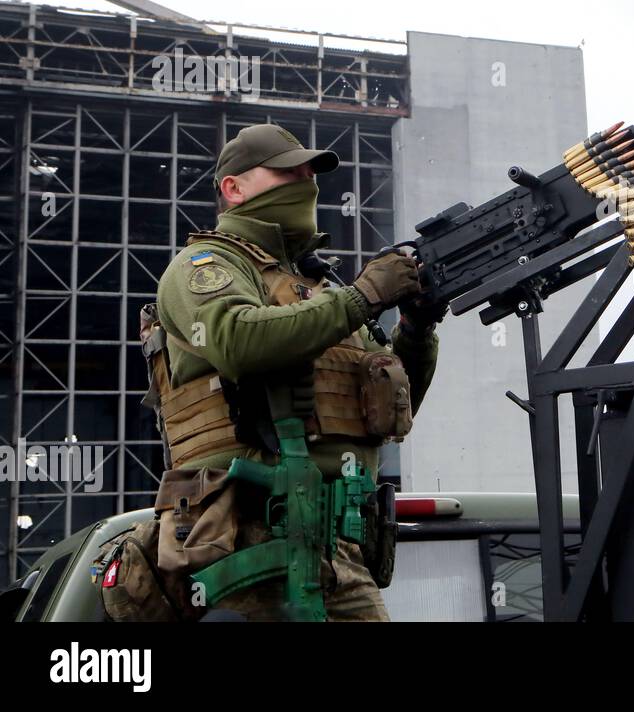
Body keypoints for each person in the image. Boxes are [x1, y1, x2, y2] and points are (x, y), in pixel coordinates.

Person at [151, 123, 441, 620]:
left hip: (339, 543)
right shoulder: (205, 265)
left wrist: (417, 324)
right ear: (233, 188)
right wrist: (363, 297)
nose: (305, 180)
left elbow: (393, 405)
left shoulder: (318, 288)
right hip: (250, 534)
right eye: (287, 171)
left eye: (309, 170)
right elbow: (235, 340)